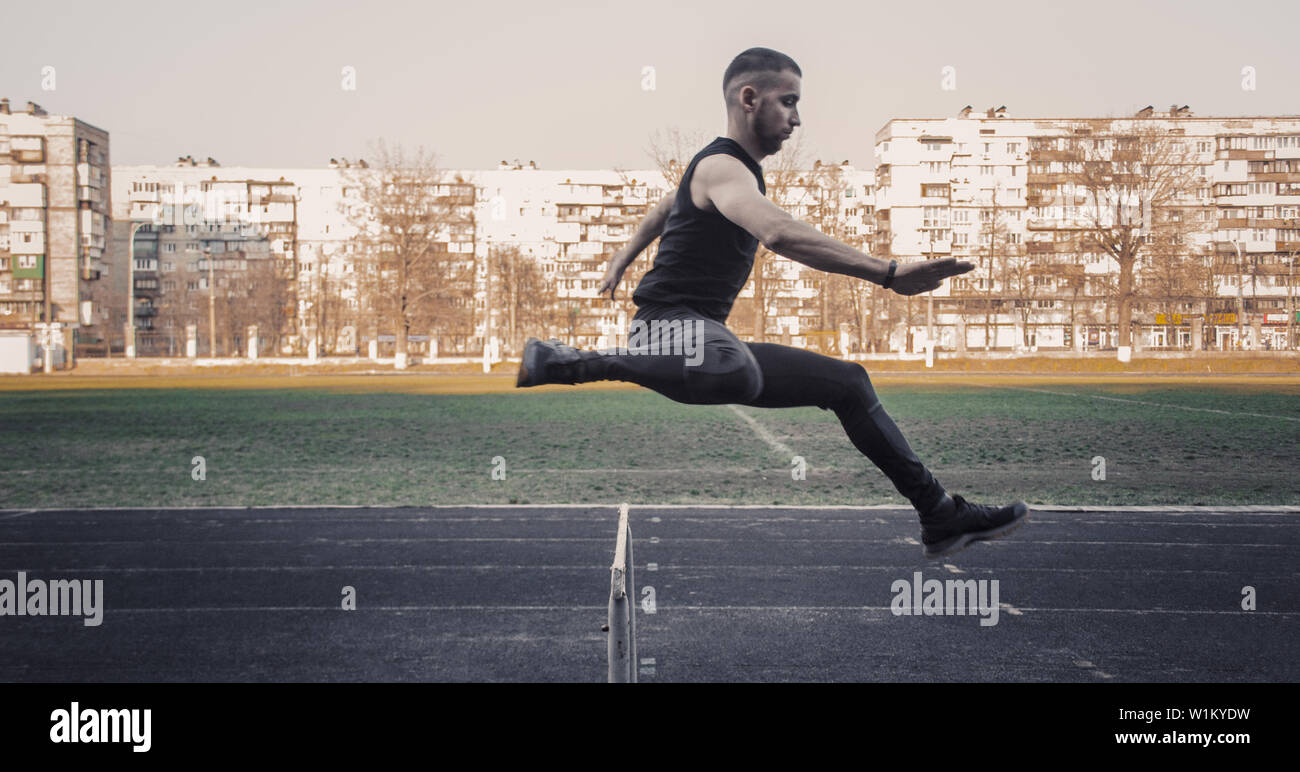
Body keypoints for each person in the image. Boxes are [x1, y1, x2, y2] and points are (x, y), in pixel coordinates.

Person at [516, 47, 1028, 558]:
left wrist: (620, 260)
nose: (797, 119)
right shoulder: (723, 168)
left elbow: (662, 208)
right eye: (788, 102)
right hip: (668, 333)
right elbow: (778, 232)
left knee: (848, 383)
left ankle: (938, 513)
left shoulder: (714, 171)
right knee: (730, 362)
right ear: (748, 98)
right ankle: (573, 361)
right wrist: (888, 274)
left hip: (698, 339)